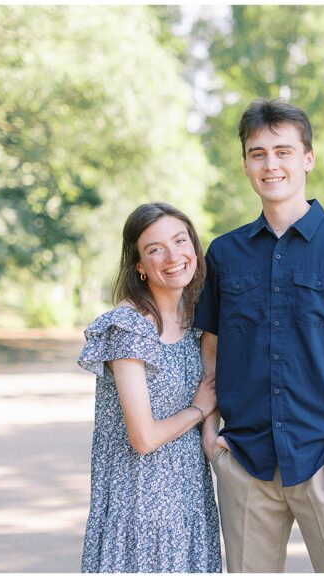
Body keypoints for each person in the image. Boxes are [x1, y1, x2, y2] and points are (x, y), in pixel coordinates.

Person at [195, 98, 324, 573]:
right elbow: (211, 349)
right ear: (245, 165)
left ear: (308, 158)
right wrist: (211, 435)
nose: (270, 164)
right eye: (258, 154)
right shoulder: (224, 254)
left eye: (283, 151)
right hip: (246, 462)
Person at [77, 202, 221, 573]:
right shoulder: (129, 327)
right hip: (140, 502)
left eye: (180, 241)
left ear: (194, 248)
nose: (173, 256)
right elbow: (143, 438)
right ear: (139, 265)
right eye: (155, 249)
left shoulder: (196, 320)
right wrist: (198, 410)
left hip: (190, 498)